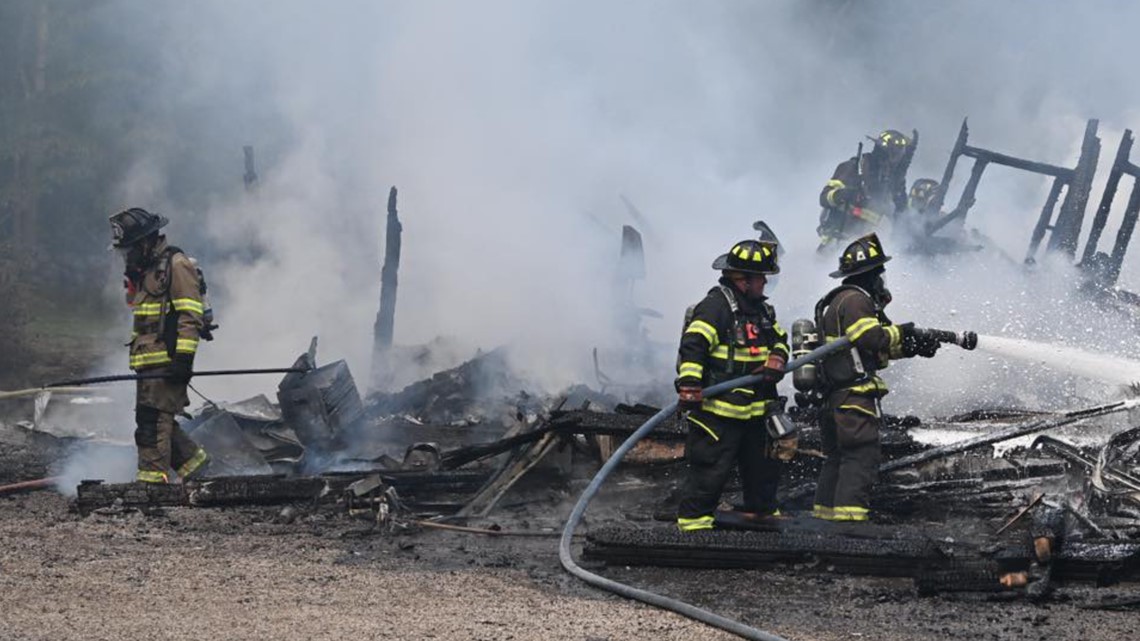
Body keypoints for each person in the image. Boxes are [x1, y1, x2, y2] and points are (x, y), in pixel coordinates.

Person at [812, 233, 939, 522]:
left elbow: (871, 349)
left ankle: (825, 518)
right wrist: (905, 333)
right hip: (853, 398)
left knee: (837, 459)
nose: (882, 279)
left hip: (836, 397)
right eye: (879, 272)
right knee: (861, 457)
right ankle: (849, 522)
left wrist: (913, 348)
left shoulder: (840, 301)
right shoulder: (857, 300)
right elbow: (870, 337)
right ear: (869, 275)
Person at [674, 239, 796, 532]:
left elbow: (779, 338)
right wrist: (690, 385)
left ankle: (761, 521)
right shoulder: (716, 306)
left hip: (756, 412)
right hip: (719, 413)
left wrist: (777, 357)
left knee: (763, 470)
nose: (765, 282)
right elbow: (694, 345)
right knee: (710, 472)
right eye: (761, 277)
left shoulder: (762, 311)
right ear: (742, 280)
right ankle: (694, 529)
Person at [109, 207, 209, 483]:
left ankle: (151, 487)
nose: (126, 256)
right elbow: (142, 316)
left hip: (167, 361)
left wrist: (183, 360)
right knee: (159, 418)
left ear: (144, 242)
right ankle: (197, 468)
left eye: (129, 249)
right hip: (148, 362)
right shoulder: (147, 271)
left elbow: (190, 316)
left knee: (151, 424)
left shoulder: (176, 265)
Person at [817, 129, 916, 249]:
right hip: (835, 243)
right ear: (883, 153)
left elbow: (901, 214)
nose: (895, 161)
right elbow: (824, 198)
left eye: (900, 156)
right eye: (895, 154)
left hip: (868, 250)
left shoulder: (891, 183)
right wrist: (842, 194)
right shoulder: (853, 169)